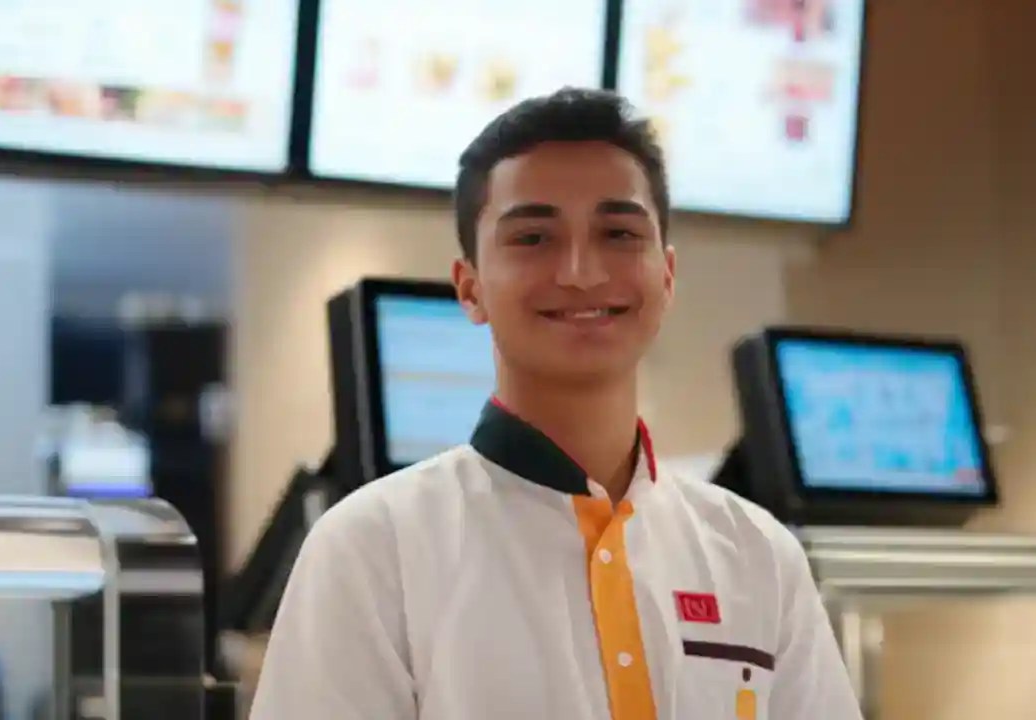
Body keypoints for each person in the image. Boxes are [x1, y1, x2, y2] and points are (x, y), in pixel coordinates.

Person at [249, 87, 862, 720]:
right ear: (470, 288)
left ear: (667, 276)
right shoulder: (372, 547)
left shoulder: (756, 553)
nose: (580, 271)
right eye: (534, 237)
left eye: (619, 232)